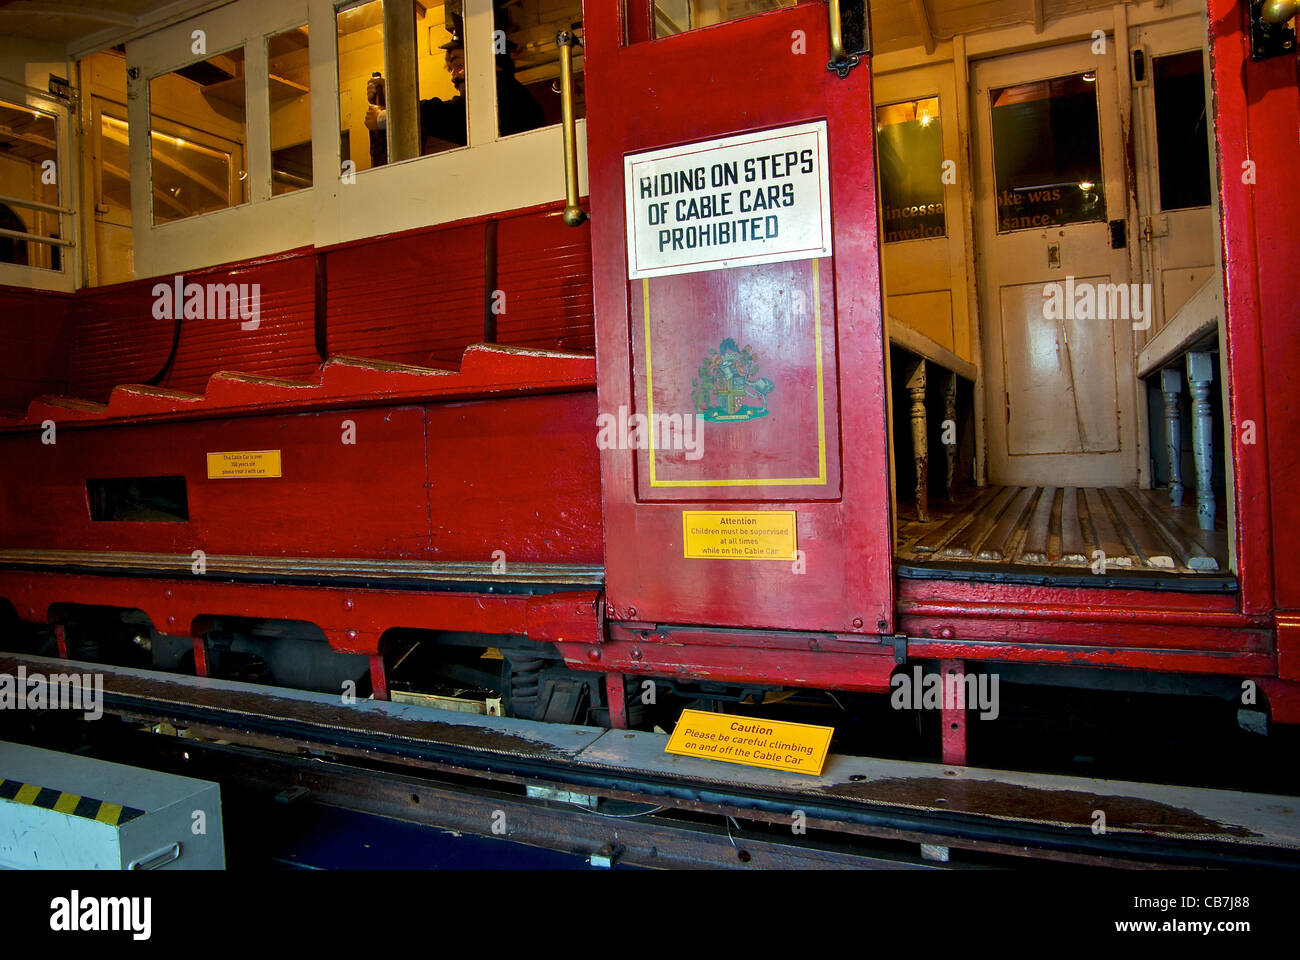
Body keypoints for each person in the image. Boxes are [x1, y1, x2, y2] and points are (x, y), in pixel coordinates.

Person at [363, 32, 544, 157]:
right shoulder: (509, 93)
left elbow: (449, 115)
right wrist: (392, 101)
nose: (453, 77)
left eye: (458, 65)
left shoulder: (502, 91)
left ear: (487, 59)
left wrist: (385, 117)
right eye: (450, 69)